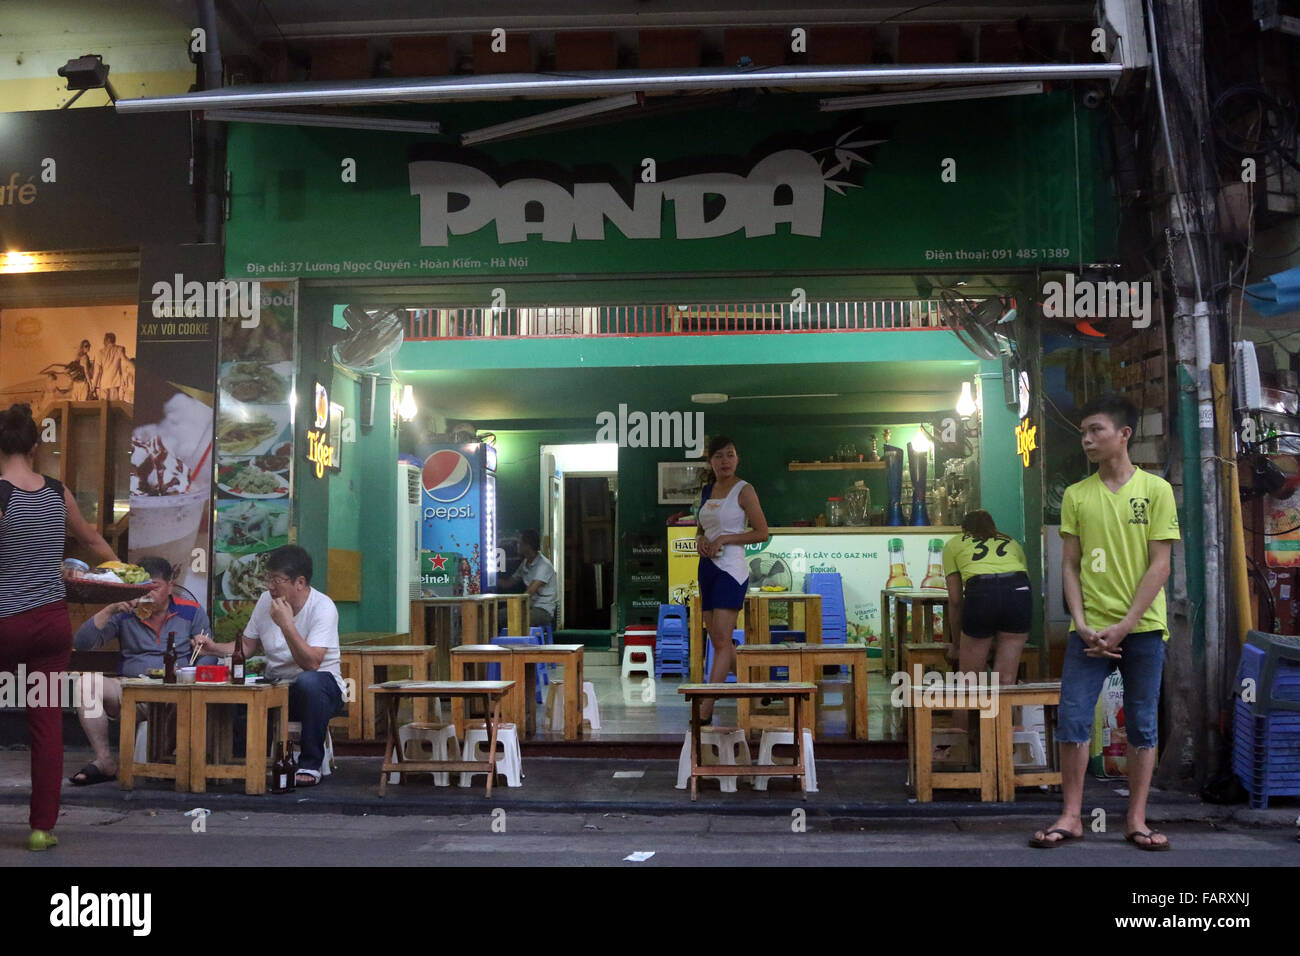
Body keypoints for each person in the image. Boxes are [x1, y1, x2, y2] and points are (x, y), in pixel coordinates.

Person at [1031, 394, 1179, 851]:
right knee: (1073, 720)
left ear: (1124, 435)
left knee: (1142, 724)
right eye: (1083, 432)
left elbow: (1161, 566)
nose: (1087, 439)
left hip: (1144, 630)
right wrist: (1080, 620)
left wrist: (1125, 625)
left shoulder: (1156, 491)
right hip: (1088, 633)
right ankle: (1071, 816)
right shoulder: (1077, 495)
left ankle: (1136, 819)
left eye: (1096, 430)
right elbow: (1069, 565)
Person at [0, 403, 117, 850]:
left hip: (5, 621)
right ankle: (41, 827)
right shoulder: (56, 491)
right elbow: (91, 540)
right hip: (51, 625)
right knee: (46, 723)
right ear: (34, 446)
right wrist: (130, 576)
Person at [195, 545, 343, 786]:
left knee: (309, 682)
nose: (270, 586)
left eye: (277, 580)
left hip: (321, 692)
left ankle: (310, 764)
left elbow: (312, 663)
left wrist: (286, 625)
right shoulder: (266, 600)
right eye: (269, 578)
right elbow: (247, 646)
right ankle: (240, 762)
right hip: (278, 689)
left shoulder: (323, 607)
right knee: (239, 687)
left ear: (300, 582)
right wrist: (213, 647)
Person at [69, 555, 214, 786]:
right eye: (142, 587)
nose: (147, 593)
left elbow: (208, 655)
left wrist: (189, 676)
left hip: (176, 695)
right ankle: (105, 760)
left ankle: (161, 761)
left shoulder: (192, 611)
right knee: (86, 684)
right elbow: (83, 643)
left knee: (187, 698)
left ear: (170, 586)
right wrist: (109, 610)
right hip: (130, 692)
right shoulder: (125, 611)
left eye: (153, 587)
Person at [695, 436, 769, 724]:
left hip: (731, 569)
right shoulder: (707, 490)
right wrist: (701, 539)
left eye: (730, 455)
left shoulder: (744, 490)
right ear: (710, 461)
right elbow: (702, 527)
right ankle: (755, 690)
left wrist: (726, 537)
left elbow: (762, 532)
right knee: (717, 638)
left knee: (724, 640)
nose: (725, 461)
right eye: (719, 456)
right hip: (707, 568)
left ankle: (707, 706)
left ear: (737, 459)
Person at [941, 509, 1032, 705]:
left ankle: (963, 733)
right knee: (1006, 681)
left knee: (969, 683)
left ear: (964, 529)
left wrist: (957, 645)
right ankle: (1003, 733)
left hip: (982, 592)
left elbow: (956, 600)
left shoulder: (953, 544)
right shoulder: (1012, 542)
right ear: (993, 527)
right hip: (1019, 592)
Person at [498, 529, 557, 629]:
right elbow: (508, 583)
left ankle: (516, 643)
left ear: (528, 545)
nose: (517, 545)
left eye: (519, 543)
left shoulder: (544, 565)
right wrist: (490, 580)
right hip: (529, 607)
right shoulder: (525, 563)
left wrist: (514, 606)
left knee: (514, 617)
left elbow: (529, 592)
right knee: (499, 615)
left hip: (543, 611)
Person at [92, 332, 129, 401]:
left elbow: (97, 371)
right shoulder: (120, 349)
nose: (103, 342)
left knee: (103, 407)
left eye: (104, 340)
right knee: (114, 406)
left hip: (104, 384)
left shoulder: (100, 352)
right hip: (115, 383)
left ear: (108, 340)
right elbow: (124, 365)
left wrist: (93, 386)